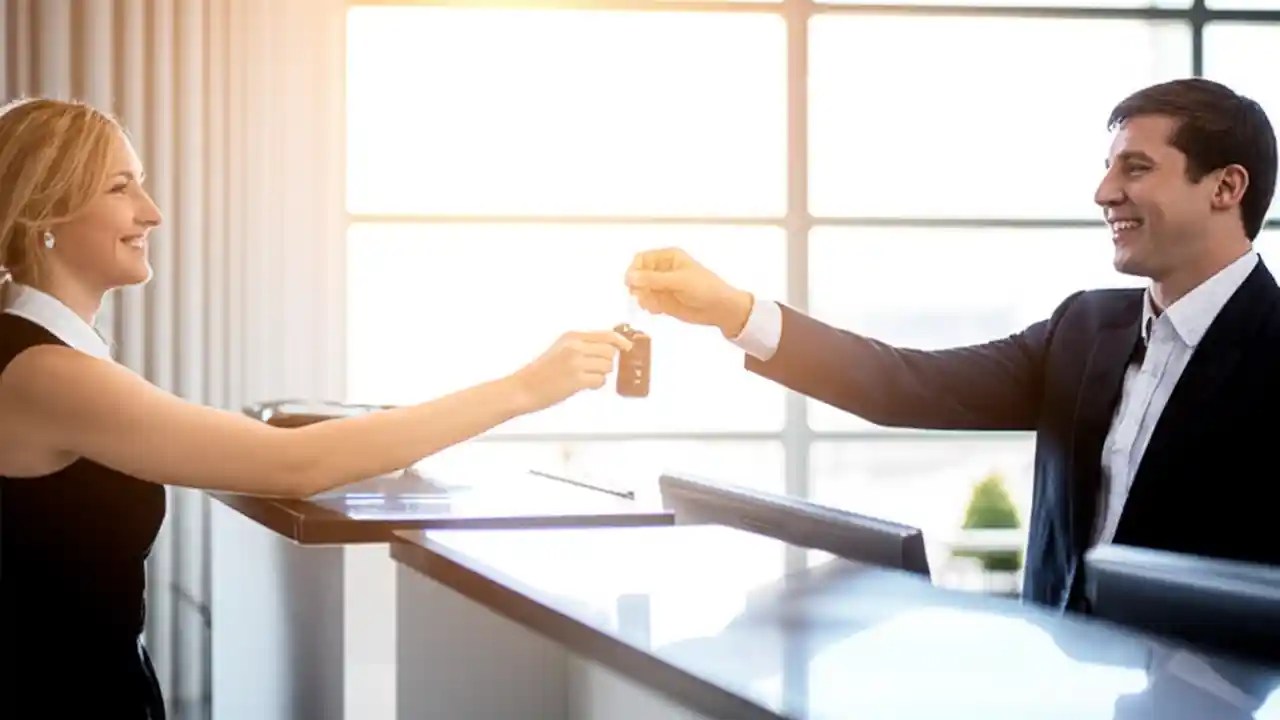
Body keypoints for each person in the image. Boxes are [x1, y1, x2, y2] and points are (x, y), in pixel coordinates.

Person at [0, 98, 631, 717]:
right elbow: (296, 464)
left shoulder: (47, 358)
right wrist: (524, 389)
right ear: (42, 213)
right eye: (121, 187)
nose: (152, 212)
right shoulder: (44, 373)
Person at [624, 77, 1280, 613]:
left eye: (1136, 168)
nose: (1105, 193)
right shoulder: (1085, 329)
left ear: (1226, 188)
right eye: (1108, 169)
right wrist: (734, 312)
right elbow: (906, 386)